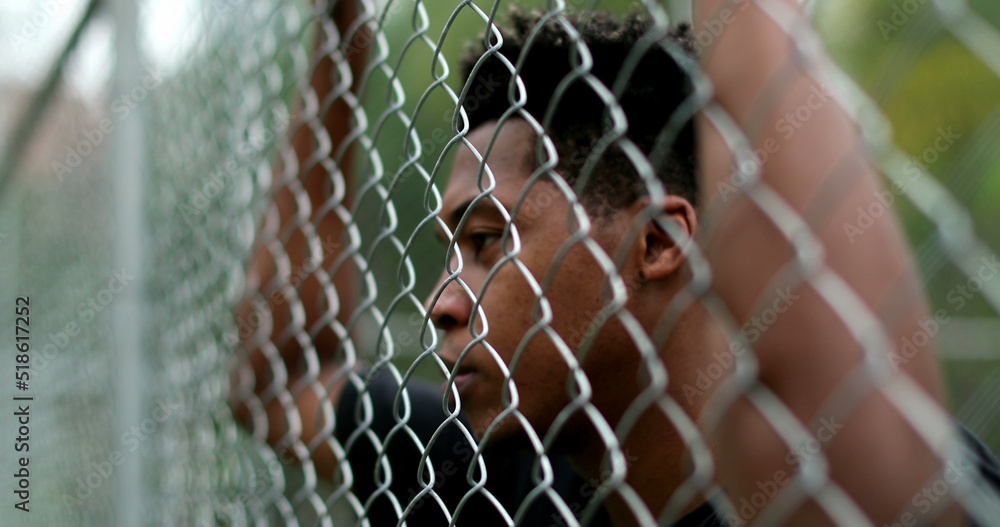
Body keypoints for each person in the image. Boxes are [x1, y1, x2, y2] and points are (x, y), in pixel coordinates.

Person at [234, 1, 1000, 525]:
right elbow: (277, 376)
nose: (443, 301)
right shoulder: (500, 481)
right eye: (450, 253)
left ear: (657, 243)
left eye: (487, 241)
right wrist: (341, 30)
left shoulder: (828, 472)